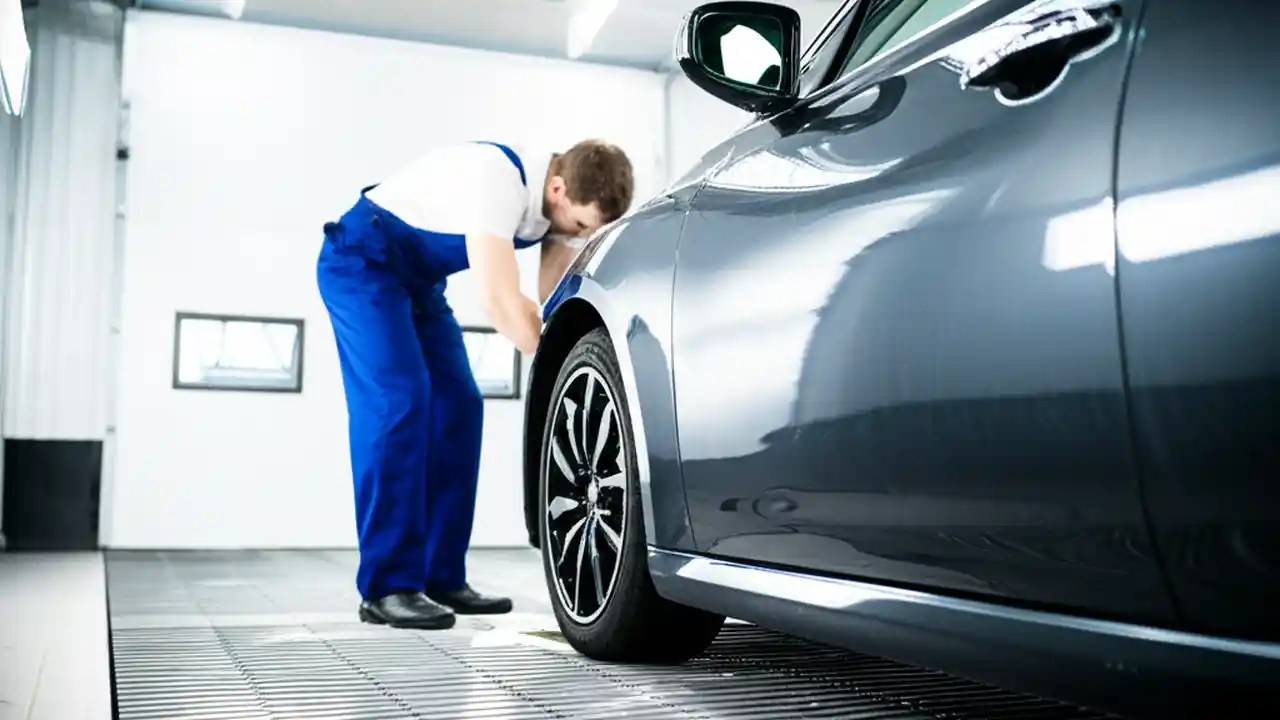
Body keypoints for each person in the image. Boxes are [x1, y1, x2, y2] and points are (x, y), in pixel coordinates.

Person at [317, 139, 635, 629]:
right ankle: (387, 586)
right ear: (557, 188)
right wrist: (557, 373)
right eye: (579, 226)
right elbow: (502, 302)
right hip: (361, 262)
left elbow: (551, 302)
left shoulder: (557, 208)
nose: (578, 236)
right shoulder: (496, 180)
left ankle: (441, 576)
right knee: (398, 404)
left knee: (460, 407)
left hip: (418, 283)